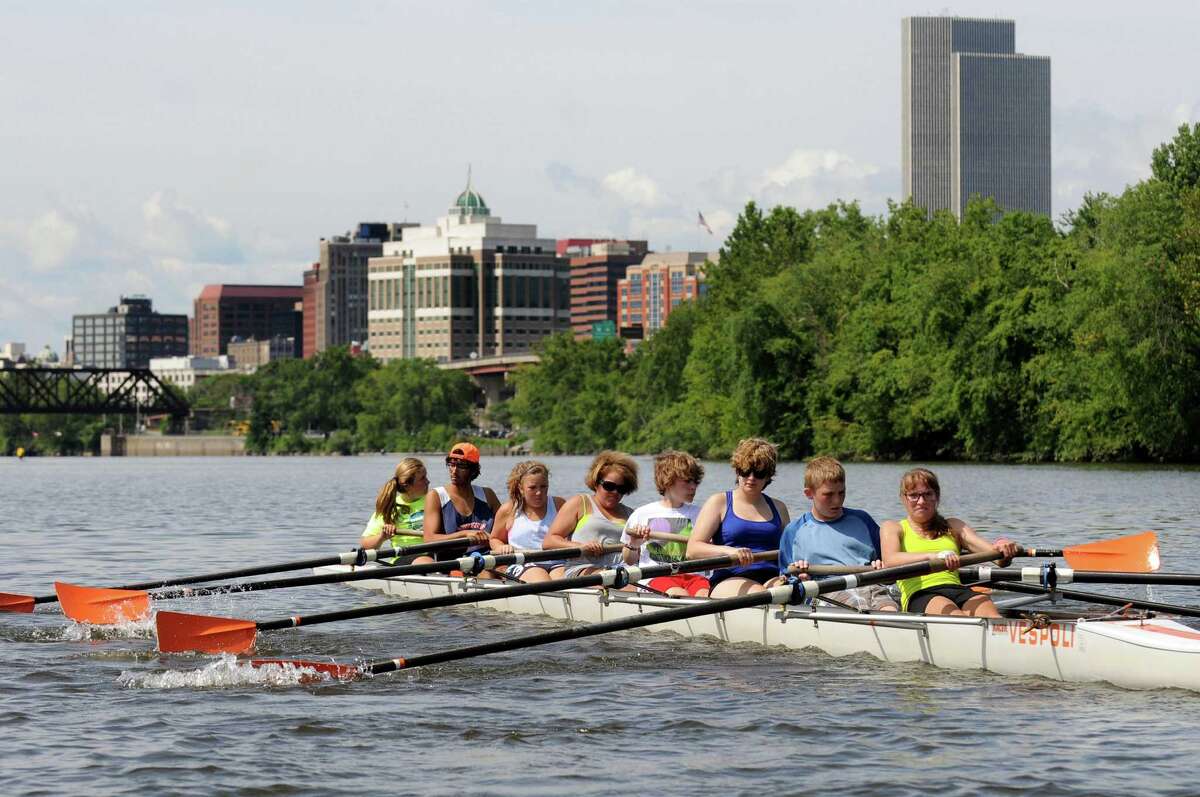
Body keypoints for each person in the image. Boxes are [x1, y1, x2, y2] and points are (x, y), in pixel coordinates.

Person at [880, 467, 1019, 617]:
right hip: (920, 594)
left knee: (990, 613)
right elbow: (890, 560)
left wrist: (1003, 547)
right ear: (903, 498)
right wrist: (934, 556)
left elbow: (998, 559)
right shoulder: (893, 527)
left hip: (957, 589)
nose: (921, 501)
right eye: (914, 495)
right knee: (956, 617)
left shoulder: (953, 526)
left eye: (927, 494)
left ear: (936, 497)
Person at [775, 456, 897, 611]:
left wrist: (882, 568)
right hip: (827, 590)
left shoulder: (863, 520)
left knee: (889, 609)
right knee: (859, 605)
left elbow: (888, 567)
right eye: (829, 495)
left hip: (870, 584)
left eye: (841, 493)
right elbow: (787, 582)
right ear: (809, 493)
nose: (837, 501)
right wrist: (800, 579)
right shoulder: (794, 531)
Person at [687, 438, 790, 598]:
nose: (751, 478)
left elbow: (790, 553)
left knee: (790, 592)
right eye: (746, 471)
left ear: (768, 476)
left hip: (772, 577)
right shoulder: (719, 502)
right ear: (737, 471)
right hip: (730, 578)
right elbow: (693, 550)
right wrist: (730, 551)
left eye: (759, 473)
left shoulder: (779, 507)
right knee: (762, 595)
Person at [621, 450, 709, 598]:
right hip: (656, 577)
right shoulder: (642, 513)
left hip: (693, 577)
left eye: (695, 481)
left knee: (704, 596)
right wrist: (634, 542)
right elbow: (629, 560)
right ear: (667, 481)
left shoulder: (702, 514)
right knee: (680, 595)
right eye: (687, 481)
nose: (693, 487)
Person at [544, 450, 638, 580]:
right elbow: (549, 541)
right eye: (609, 486)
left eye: (621, 489)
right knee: (613, 578)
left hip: (623, 570)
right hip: (584, 568)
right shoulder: (579, 503)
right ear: (596, 482)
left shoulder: (631, 514)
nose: (615, 492)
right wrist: (580, 546)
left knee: (629, 580)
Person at [421, 442, 501, 573]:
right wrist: (465, 534)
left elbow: (507, 528)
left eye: (461, 466)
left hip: (487, 559)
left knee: (501, 569)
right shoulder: (436, 496)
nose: (454, 471)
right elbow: (429, 539)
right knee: (487, 574)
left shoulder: (488, 495)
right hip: (453, 563)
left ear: (473, 470)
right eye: (451, 464)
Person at [489, 460, 566, 583]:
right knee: (542, 582)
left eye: (543, 486)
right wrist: (502, 547)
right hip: (522, 563)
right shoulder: (508, 510)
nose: (539, 492)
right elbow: (494, 539)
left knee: (564, 583)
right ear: (521, 488)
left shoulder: (559, 505)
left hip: (557, 562)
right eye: (532, 488)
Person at [359, 457, 431, 565]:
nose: (428, 481)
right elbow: (365, 545)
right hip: (404, 557)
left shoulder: (435, 500)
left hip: (435, 554)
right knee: (426, 561)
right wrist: (382, 537)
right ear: (407, 485)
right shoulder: (391, 509)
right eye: (422, 478)